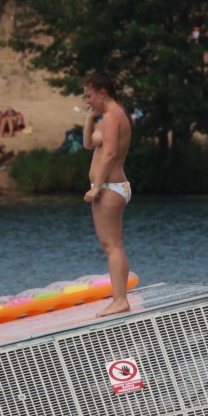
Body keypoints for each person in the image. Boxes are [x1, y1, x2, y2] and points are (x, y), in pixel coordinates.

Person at [82, 72, 132, 317]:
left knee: (113, 245)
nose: (87, 101)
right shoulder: (106, 117)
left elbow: (110, 154)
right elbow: (88, 144)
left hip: (110, 188)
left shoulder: (113, 117)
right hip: (108, 188)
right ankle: (119, 297)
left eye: (89, 96)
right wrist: (90, 118)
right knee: (109, 245)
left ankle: (120, 299)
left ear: (102, 92)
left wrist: (96, 186)